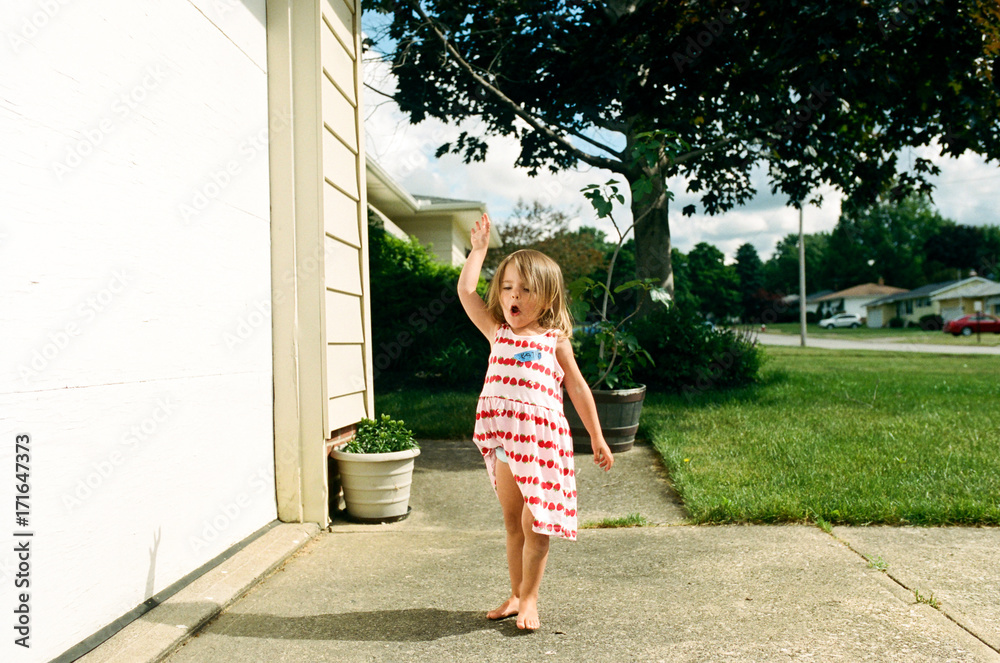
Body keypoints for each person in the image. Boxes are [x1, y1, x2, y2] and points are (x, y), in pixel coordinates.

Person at [457, 212, 614, 631]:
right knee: (513, 524)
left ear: (546, 298)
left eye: (526, 290)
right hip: (506, 443)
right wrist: (478, 252)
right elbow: (466, 289)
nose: (514, 296)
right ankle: (514, 592)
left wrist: (597, 436)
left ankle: (531, 599)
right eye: (508, 287)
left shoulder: (552, 340)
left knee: (536, 525)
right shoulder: (498, 333)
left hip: (543, 446)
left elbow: (578, 389)